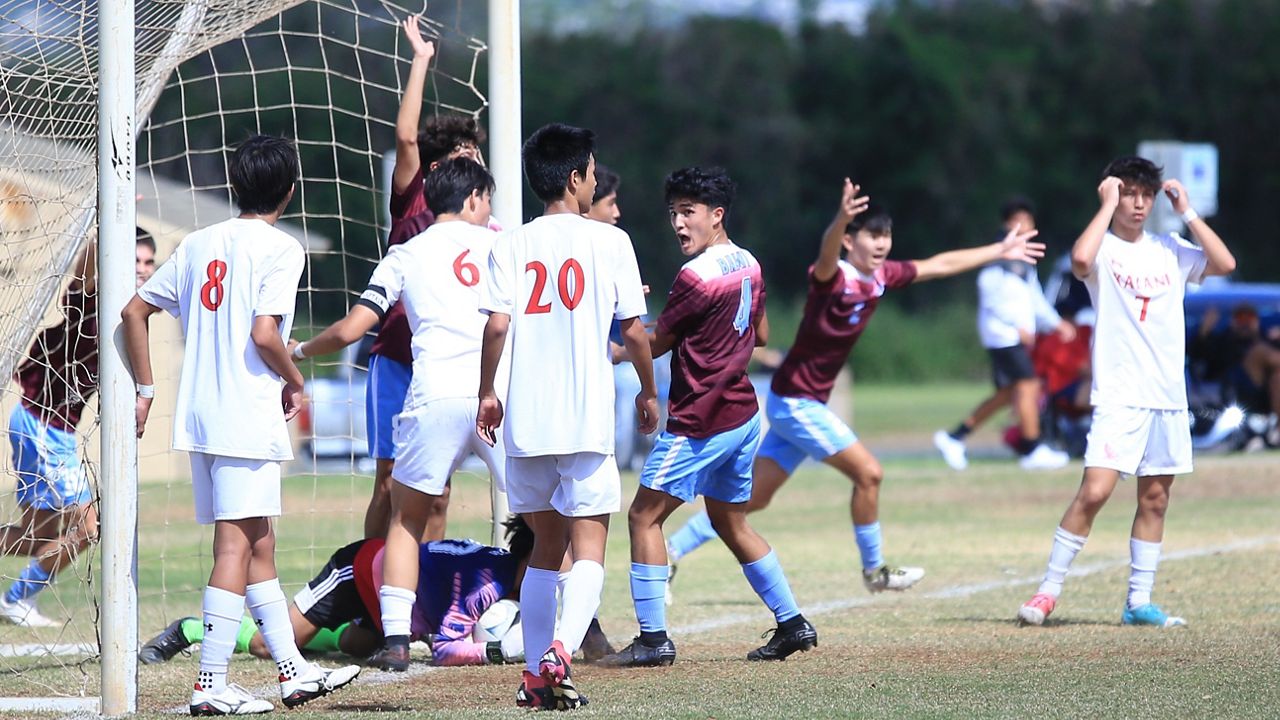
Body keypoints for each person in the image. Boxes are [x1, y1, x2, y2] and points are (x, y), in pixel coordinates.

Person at [664, 178, 1044, 595]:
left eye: (886, 236)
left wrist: (999, 250)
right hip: (796, 403)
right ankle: (875, 572)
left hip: (799, 403)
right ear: (850, 241)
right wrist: (840, 218)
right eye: (872, 236)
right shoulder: (835, 277)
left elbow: (939, 264)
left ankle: (671, 551)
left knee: (753, 499)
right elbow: (825, 257)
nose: (882, 245)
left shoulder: (879, 277)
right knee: (870, 474)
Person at [122, 135, 360, 715]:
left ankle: (292, 674)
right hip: (243, 414)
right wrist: (296, 381)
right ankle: (210, 685)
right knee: (234, 546)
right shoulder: (281, 249)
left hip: (202, 414)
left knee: (260, 542)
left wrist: (146, 389)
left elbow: (134, 311)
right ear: (291, 189)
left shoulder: (199, 242)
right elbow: (264, 334)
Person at [291, 158, 507, 675]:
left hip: (431, 398)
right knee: (542, 518)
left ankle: (394, 641)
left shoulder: (404, 254)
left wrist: (298, 350)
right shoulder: (506, 246)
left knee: (406, 521)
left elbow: (349, 331)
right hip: (495, 400)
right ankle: (570, 633)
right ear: (476, 198)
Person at [603, 166, 817, 669]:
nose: (678, 223)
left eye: (688, 212)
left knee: (642, 517)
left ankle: (653, 639)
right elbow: (761, 334)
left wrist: (613, 346)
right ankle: (792, 623)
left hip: (701, 421)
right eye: (673, 212)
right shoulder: (750, 263)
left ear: (716, 216)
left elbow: (654, 342)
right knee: (729, 520)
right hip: (743, 416)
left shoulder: (695, 277)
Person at [476, 123, 658, 710]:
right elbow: (632, 330)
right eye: (593, 171)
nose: (595, 181)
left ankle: (534, 675)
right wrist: (649, 392)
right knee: (589, 547)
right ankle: (561, 651)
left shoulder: (510, 243)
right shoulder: (611, 241)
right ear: (577, 177)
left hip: (526, 421)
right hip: (583, 419)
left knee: (545, 548)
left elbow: (498, 324)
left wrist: (486, 391)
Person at [1016, 156, 1236, 629]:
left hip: (1168, 398)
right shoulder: (1104, 250)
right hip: (1119, 395)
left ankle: (1139, 601)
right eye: (1129, 193)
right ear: (1113, 193)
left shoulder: (1169, 248)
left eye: (1145, 195)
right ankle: (1047, 592)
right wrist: (1105, 204)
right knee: (1095, 491)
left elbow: (1224, 263)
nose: (1138, 204)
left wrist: (1189, 213)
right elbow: (1079, 261)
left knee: (1155, 498)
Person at [361, 15, 492, 542]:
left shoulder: (487, 224)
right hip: (397, 357)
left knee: (437, 491)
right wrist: (421, 61)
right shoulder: (414, 195)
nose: (472, 168)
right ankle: (365, 587)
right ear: (438, 169)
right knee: (389, 483)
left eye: (476, 161)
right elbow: (405, 135)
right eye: (463, 159)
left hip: (449, 364)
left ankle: (430, 597)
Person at [0, 232, 156, 628]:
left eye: (147, 262)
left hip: (56, 430)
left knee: (38, 536)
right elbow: (83, 272)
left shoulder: (135, 316)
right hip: (41, 422)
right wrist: (104, 229)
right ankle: (16, 599)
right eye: (133, 260)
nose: (141, 269)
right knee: (89, 526)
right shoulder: (94, 304)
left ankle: (15, 600)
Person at [139, 516, 535, 668]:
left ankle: (318, 634)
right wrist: (498, 650)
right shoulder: (486, 587)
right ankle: (191, 628)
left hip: (393, 606)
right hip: (360, 571)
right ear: (531, 555)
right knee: (267, 645)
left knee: (359, 645)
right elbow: (445, 650)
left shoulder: (506, 575)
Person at [934, 197, 1075, 471]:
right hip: (1003, 336)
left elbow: (1034, 299)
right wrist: (1017, 326)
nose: (1023, 225)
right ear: (1007, 224)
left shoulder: (1025, 259)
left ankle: (955, 437)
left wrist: (1056, 324)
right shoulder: (999, 254)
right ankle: (1032, 448)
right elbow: (990, 293)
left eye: (1028, 220)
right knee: (1028, 385)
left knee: (1011, 392)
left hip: (1013, 336)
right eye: (1017, 220)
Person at [1189, 303, 1280, 436]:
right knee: (1260, 352)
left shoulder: (1266, 337)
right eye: (1240, 318)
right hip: (1235, 389)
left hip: (1265, 393)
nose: (1245, 323)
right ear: (1232, 321)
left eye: (1249, 318)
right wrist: (1203, 332)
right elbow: (1197, 357)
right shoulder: (1221, 340)